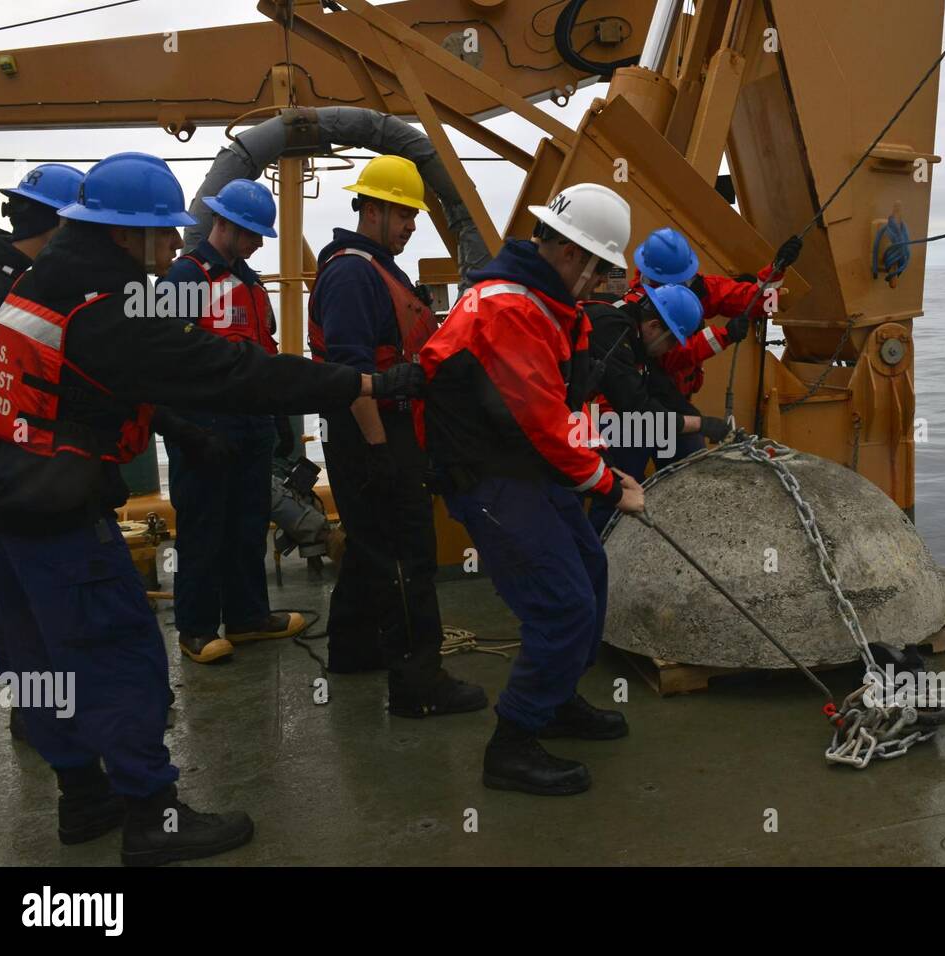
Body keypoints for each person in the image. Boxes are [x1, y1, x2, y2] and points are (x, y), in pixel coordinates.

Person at [0, 151, 419, 865]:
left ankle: (83, 799)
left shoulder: (43, 282)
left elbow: (101, 384)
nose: (171, 248)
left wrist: (180, 428)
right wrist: (359, 380)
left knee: (36, 665)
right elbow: (228, 370)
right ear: (129, 234)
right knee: (122, 659)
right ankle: (153, 816)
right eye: (162, 235)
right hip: (59, 515)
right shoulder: (107, 306)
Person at [417, 182, 646, 796]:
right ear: (573, 254)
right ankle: (512, 744)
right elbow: (539, 418)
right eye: (599, 268)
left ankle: (557, 699)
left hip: (524, 468)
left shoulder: (543, 301)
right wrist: (606, 483)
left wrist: (596, 466)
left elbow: (555, 410)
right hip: (493, 477)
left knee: (589, 568)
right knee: (562, 603)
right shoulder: (511, 308)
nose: (600, 284)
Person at [308, 155, 485, 717]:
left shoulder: (374, 269)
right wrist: (382, 450)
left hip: (381, 433)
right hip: (373, 436)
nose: (412, 225)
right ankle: (418, 684)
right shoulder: (354, 274)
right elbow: (350, 372)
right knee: (409, 557)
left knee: (370, 547)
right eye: (405, 214)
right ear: (376, 210)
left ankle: (354, 649)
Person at [157, 178, 303, 664]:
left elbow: (265, 354)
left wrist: (279, 417)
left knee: (246, 524)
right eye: (251, 233)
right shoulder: (187, 278)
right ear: (225, 224)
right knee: (202, 529)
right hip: (206, 427)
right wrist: (186, 430)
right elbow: (163, 362)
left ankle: (247, 617)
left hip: (251, 424)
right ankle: (196, 628)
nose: (258, 243)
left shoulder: (250, 283)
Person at [0, 162, 83, 739]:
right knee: (19, 590)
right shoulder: (1, 289)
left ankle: (32, 708)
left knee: (7, 592)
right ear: (62, 228)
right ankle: (38, 713)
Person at [583, 281, 723, 533]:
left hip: (577, 418)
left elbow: (661, 389)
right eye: (670, 344)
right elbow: (637, 408)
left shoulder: (634, 336)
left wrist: (701, 421)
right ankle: (601, 543)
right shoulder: (611, 332)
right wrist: (702, 424)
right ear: (654, 327)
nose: (667, 352)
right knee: (629, 445)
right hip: (550, 423)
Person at [621, 227, 801, 405]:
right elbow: (670, 357)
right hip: (652, 401)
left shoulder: (695, 287)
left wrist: (777, 268)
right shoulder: (637, 309)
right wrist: (725, 335)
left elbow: (757, 301)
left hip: (678, 396)